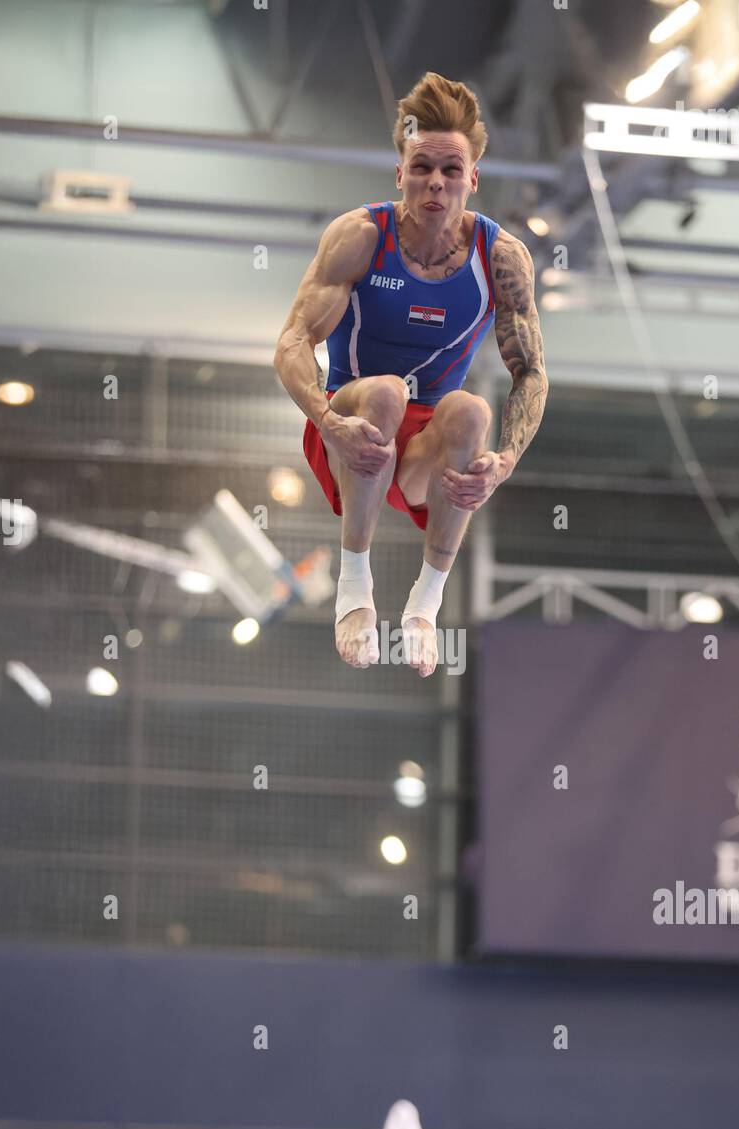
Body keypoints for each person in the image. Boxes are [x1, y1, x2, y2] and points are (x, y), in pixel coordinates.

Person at [274, 71, 548, 676]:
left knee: (473, 409)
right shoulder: (360, 237)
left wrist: (504, 462)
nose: (436, 183)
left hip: (428, 453)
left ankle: (425, 605)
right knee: (388, 392)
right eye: (422, 167)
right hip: (351, 423)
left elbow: (529, 373)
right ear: (400, 172)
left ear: (473, 179)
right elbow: (292, 342)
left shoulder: (500, 258)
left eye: (452, 171)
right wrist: (325, 418)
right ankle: (355, 590)